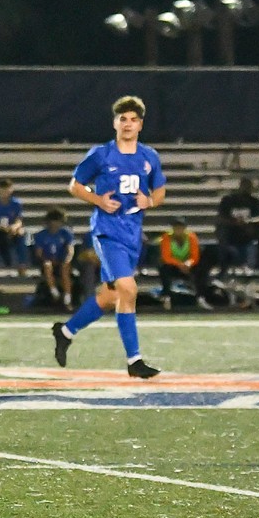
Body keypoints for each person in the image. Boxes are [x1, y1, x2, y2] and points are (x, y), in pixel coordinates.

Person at [51, 95, 167, 378]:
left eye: (133, 120)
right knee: (128, 289)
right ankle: (134, 360)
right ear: (115, 122)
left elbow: (160, 192)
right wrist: (98, 201)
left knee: (110, 295)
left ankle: (65, 331)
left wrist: (149, 202)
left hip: (132, 235)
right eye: (122, 119)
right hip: (108, 232)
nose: (127, 124)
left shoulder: (149, 156)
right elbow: (75, 186)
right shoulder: (101, 154)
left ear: (140, 124)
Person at [158, 215, 212, 311]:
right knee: (163, 268)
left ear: (184, 228)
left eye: (181, 227)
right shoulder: (166, 238)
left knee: (202, 269)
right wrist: (179, 264)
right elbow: (166, 257)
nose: (178, 229)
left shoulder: (191, 237)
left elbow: (195, 255)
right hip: (174, 266)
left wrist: (188, 263)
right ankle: (167, 297)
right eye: (176, 227)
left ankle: (201, 297)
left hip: (189, 266)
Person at [216, 176, 259, 275]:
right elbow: (221, 217)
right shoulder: (228, 200)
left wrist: (250, 222)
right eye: (244, 186)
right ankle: (223, 268)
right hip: (231, 230)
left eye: (249, 187)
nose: (246, 189)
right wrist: (235, 222)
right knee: (222, 232)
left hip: (248, 231)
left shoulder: (255, 202)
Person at [32, 207, 75, 310]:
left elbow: (70, 249)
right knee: (47, 266)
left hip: (62, 261)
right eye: (53, 221)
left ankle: (67, 297)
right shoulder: (41, 235)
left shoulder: (66, 233)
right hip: (47, 262)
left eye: (58, 221)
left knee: (65, 268)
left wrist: (67, 260)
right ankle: (54, 292)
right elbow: (39, 253)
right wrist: (45, 260)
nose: (55, 224)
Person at [0, 178, 29, 276]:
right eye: (2, 189)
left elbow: (19, 220)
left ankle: (22, 266)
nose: (5, 192)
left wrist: (14, 227)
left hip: (10, 230)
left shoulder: (16, 203)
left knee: (21, 236)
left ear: (11, 189)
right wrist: (1, 228)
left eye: (7, 189)